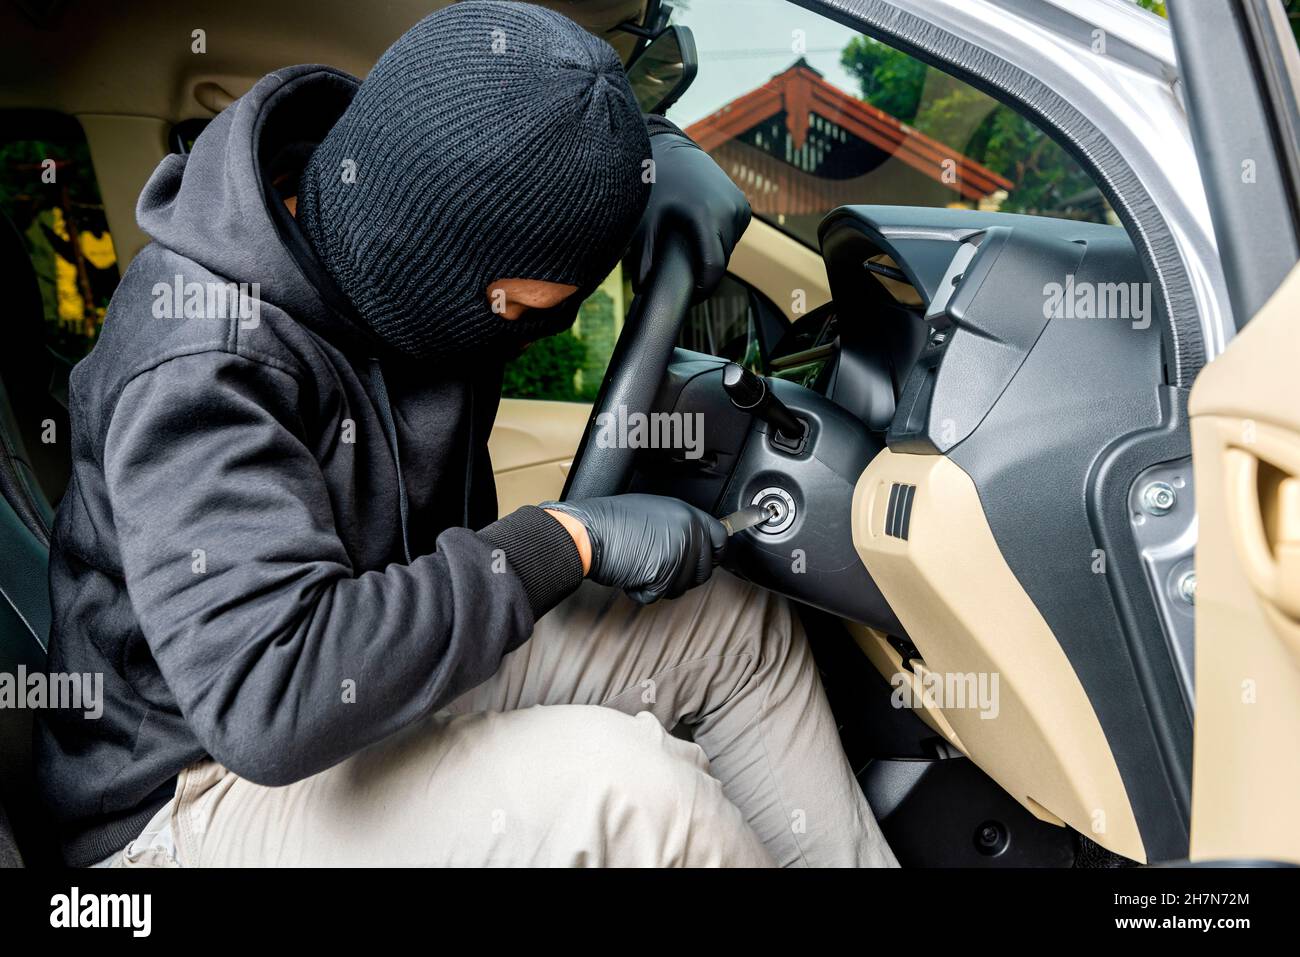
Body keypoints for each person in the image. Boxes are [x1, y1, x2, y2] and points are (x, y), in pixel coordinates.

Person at [38, 0, 896, 868]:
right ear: (429, 264)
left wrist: (649, 162)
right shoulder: (199, 356)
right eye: (524, 312)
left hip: (371, 680)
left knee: (727, 625)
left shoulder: (396, 222)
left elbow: (532, 132)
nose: (533, 337)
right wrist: (564, 541)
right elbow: (275, 691)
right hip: (190, 794)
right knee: (634, 800)